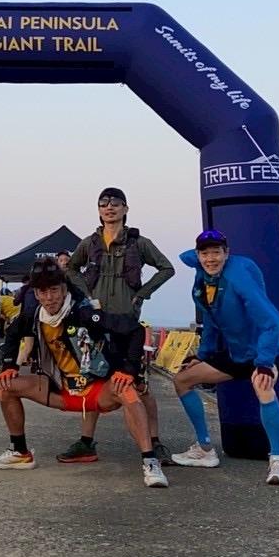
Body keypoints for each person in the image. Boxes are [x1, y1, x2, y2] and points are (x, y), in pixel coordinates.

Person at [0, 258, 168, 488]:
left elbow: (134, 329)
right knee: (5, 387)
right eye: (43, 291)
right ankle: (20, 452)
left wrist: (128, 370)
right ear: (36, 293)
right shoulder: (34, 314)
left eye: (54, 290)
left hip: (97, 389)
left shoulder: (84, 313)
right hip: (61, 389)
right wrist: (9, 366)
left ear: (64, 289)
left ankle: (150, 462)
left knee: (128, 391)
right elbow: (12, 334)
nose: (50, 297)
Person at [62, 187, 175, 466]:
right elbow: (71, 269)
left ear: (125, 209)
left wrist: (142, 293)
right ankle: (86, 442)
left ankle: (155, 442)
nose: (109, 207)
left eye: (115, 203)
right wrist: (86, 296)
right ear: (98, 210)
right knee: (92, 380)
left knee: (140, 383)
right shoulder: (89, 243)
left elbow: (166, 268)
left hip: (127, 323)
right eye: (103, 203)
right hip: (98, 325)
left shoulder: (139, 243)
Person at [170, 229, 279, 486]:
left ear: (227, 253)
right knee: (182, 380)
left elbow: (272, 321)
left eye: (216, 252)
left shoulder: (238, 277)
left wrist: (265, 363)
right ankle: (204, 449)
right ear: (198, 255)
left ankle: (278, 460)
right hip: (235, 354)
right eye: (205, 253)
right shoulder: (202, 278)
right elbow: (212, 323)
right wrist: (201, 356)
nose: (210, 258)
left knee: (263, 386)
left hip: (263, 351)